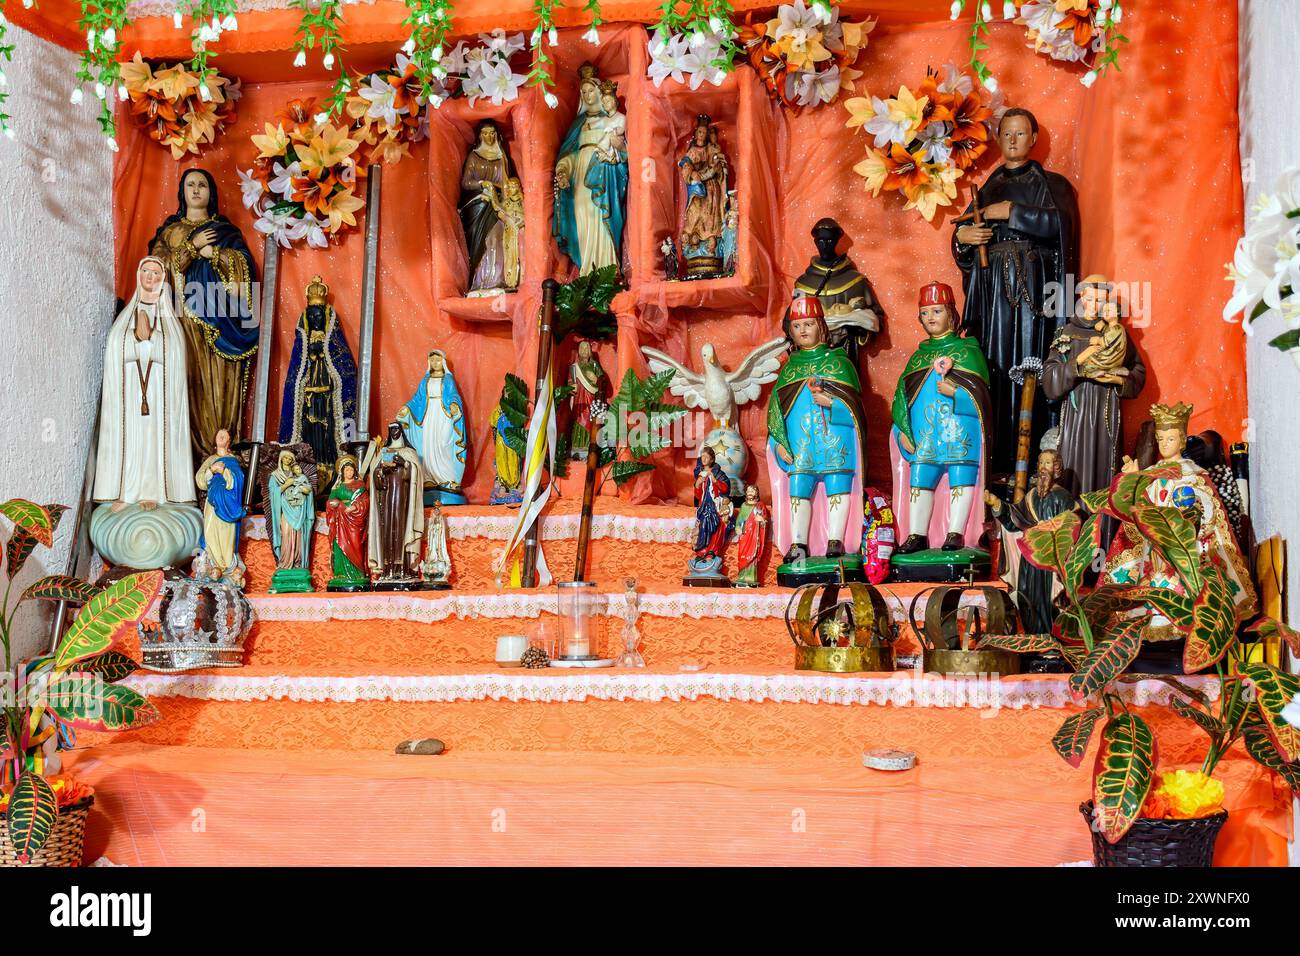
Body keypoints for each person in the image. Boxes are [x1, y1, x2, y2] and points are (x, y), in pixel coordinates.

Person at [952, 108, 1079, 476]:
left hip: (1032, 291)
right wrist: (963, 239)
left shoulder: (1052, 185)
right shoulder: (989, 184)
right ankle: (996, 460)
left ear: (1034, 138)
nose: (1012, 140)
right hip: (993, 295)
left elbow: (1060, 226)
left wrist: (1010, 212)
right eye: (1006, 133)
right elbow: (965, 231)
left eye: (1020, 133)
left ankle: (1034, 460)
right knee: (994, 363)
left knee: (1030, 362)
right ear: (998, 138)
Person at [149, 167, 258, 461]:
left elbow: (245, 272)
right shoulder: (170, 232)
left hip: (223, 322)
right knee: (191, 383)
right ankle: (192, 457)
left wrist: (217, 256)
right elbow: (154, 272)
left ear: (211, 192)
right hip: (185, 322)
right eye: (190, 185)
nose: (196, 190)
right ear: (182, 193)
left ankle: (223, 450)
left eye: (202, 185)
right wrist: (191, 248)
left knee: (221, 386)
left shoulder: (226, 232)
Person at [766, 294, 869, 565]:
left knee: (838, 488)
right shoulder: (789, 369)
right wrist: (779, 442)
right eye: (797, 326)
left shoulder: (840, 362)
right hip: (801, 446)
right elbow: (776, 410)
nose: (803, 331)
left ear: (821, 327)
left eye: (809, 324)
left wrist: (832, 403)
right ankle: (799, 542)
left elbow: (857, 409)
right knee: (799, 491)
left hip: (835, 442)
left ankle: (837, 539)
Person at [890, 281, 992, 553]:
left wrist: (957, 392)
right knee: (921, 479)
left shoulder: (968, 352)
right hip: (926, 436)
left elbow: (983, 398)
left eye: (937, 311)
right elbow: (902, 398)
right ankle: (917, 534)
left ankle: (956, 532)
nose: (931, 317)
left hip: (961, 433)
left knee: (962, 478)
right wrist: (904, 430)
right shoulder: (917, 358)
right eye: (925, 312)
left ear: (951, 313)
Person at [93, 256, 195, 510]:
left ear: (164, 280)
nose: (150, 277)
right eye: (146, 272)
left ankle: (153, 492)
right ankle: (126, 492)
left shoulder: (170, 321)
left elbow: (174, 355)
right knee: (131, 441)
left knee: (152, 441)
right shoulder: (124, 320)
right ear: (138, 276)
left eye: (156, 274)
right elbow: (116, 350)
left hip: (159, 399)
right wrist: (134, 338)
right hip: (130, 397)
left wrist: (151, 338)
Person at [1040, 276, 1146, 498]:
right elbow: (1049, 378)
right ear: (1082, 299)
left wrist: (1118, 381)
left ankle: (1101, 529)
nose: (1095, 305)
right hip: (1075, 416)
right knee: (1072, 468)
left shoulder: (1114, 333)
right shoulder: (1067, 333)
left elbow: (1137, 373)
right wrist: (1075, 367)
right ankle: (1074, 525)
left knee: (1104, 467)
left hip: (1104, 411)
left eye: (1101, 300)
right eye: (1091, 299)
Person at [277, 275, 357, 496]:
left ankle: (330, 469)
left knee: (327, 434)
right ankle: (308, 470)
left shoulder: (333, 342)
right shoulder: (302, 341)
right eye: (311, 315)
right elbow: (295, 375)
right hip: (309, 400)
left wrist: (322, 354)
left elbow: (346, 371)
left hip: (328, 400)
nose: (314, 319)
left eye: (318, 315)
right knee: (310, 433)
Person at [987, 446, 1078, 633]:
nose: (1044, 467)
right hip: (1030, 558)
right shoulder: (1030, 497)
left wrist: (1051, 528)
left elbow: (1072, 524)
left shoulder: (1063, 497)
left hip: (1050, 558)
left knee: (1048, 600)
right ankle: (1033, 635)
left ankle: (1050, 637)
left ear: (1057, 468)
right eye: (1041, 463)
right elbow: (1015, 520)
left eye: (1048, 463)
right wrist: (997, 504)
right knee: (1026, 596)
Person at [553, 65, 627, 275]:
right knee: (583, 219)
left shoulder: (612, 120)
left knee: (602, 215)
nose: (587, 95)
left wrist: (618, 148)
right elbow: (571, 154)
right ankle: (588, 269)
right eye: (583, 92)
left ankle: (608, 266)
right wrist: (563, 169)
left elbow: (623, 150)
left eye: (591, 90)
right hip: (580, 179)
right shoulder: (578, 124)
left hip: (603, 174)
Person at [396, 349, 467, 503]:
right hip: (429, 417)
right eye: (432, 360)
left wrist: (454, 404)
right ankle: (429, 478)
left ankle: (448, 478)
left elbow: (454, 395)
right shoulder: (426, 379)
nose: (435, 363)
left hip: (444, 416)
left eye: (438, 360)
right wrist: (407, 408)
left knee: (443, 444)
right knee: (429, 446)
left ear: (443, 361)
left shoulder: (448, 379)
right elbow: (417, 399)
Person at [365, 422, 426, 586]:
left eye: (397, 429)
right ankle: (387, 569)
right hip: (386, 498)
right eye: (391, 429)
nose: (394, 432)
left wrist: (404, 464)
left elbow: (416, 474)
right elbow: (375, 476)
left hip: (403, 500)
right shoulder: (384, 452)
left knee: (400, 530)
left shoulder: (408, 452)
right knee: (387, 531)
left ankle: (404, 570)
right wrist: (380, 472)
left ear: (401, 431)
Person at [460, 121, 515, 295]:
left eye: (492, 133)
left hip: (497, 204)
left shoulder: (501, 157)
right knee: (481, 239)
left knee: (498, 235)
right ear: (479, 136)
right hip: (478, 204)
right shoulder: (474, 156)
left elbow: (506, 184)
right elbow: (465, 182)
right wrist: (482, 184)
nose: (489, 137)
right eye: (485, 133)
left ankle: (496, 279)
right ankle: (478, 281)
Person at [194, 427, 246, 584]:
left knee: (227, 536)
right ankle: (213, 567)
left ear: (230, 440)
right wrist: (212, 469)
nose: (222, 436)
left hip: (229, 504)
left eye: (225, 435)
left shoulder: (234, 460)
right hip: (213, 504)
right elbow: (200, 481)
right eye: (219, 434)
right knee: (211, 533)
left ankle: (228, 570)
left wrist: (226, 473)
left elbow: (239, 479)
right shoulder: (210, 460)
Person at [324, 454, 369, 591]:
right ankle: (341, 574)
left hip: (354, 520)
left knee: (355, 544)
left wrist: (355, 507)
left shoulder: (360, 486)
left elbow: (366, 501)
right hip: (340, 522)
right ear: (342, 472)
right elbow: (329, 503)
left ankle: (357, 573)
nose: (349, 472)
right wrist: (334, 504)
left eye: (351, 470)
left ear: (354, 471)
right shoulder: (337, 488)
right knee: (339, 547)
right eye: (346, 470)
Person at [267, 449, 315, 575]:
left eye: (290, 459)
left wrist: (305, 491)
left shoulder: (298, 474)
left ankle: (297, 562)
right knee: (286, 533)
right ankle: (285, 562)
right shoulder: (275, 475)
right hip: (284, 510)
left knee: (298, 536)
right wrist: (286, 485)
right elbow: (273, 494)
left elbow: (307, 489)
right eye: (285, 458)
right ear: (281, 459)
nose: (287, 460)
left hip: (298, 510)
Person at [733, 484, 770, 588]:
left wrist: (762, 520)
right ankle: (742, 576)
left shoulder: (760, 505)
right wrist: (738, 527)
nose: (750, 493)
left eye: (752, 491)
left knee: (752, 554)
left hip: (754, 534)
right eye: (748, 491)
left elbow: (764, 518)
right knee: (742, 554)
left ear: (757, 493)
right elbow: (740, 519)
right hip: (745, 534)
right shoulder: (744, 505)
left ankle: (750, 578)